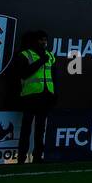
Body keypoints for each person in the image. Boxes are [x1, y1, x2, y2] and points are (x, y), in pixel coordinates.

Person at [14, 30, 57, 164]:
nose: (44, 42)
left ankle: (38, 156)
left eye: (45, 40)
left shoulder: (50, 55)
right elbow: (23, 74)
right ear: (34, 41)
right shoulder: (24, 54)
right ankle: (21, 158)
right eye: (41, 40)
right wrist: (40, 62)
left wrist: (53, 93)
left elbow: (53, 76)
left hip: (45, 96)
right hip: (30, 96)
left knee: (40, 129)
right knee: (26, 128)